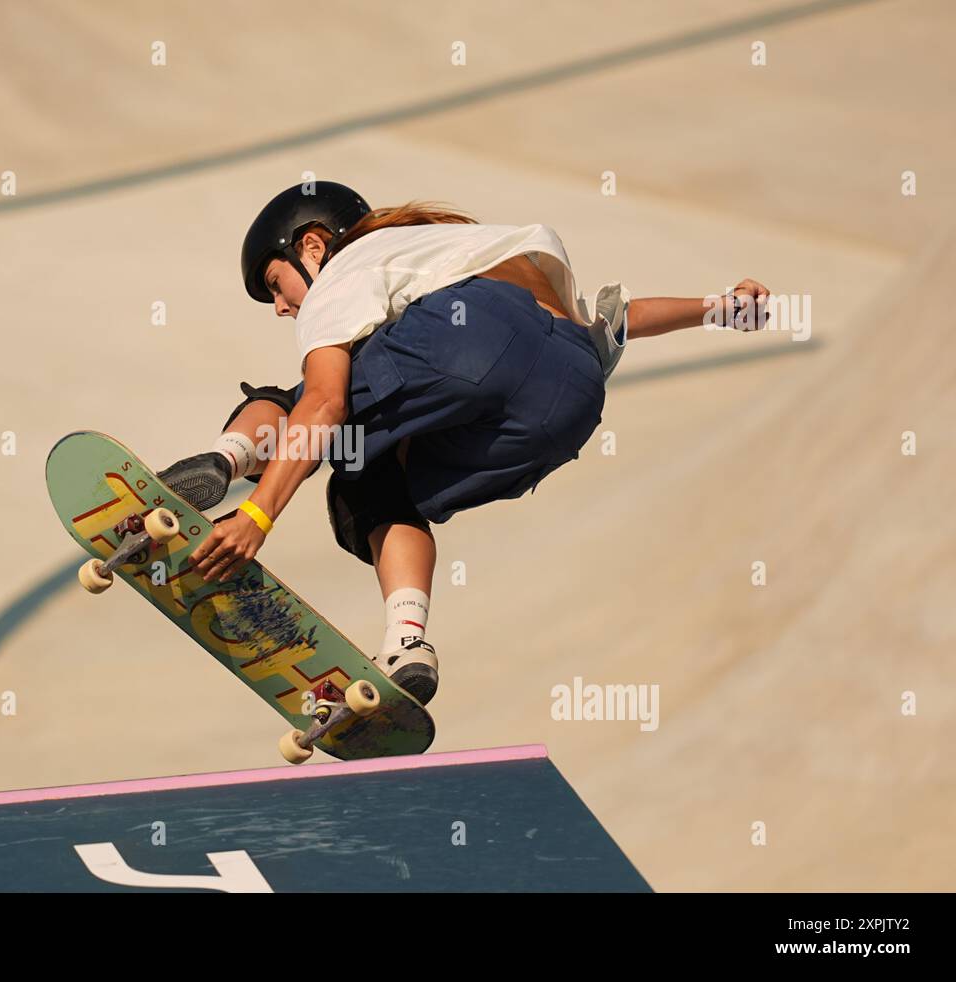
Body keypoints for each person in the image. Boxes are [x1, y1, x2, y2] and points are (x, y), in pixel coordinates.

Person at [160, 180, 769, 706]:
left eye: (275, 283)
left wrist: (257, 515)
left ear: (312, 246)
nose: (280, 307)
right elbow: (616, 319)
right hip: (568, 397)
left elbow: (325, 405)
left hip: (469, 335)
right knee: (372, 482)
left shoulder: (346, 269)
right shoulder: (465, 247)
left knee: (299, 405)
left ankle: (225, 460)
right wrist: (723, 308)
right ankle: (407, 645)